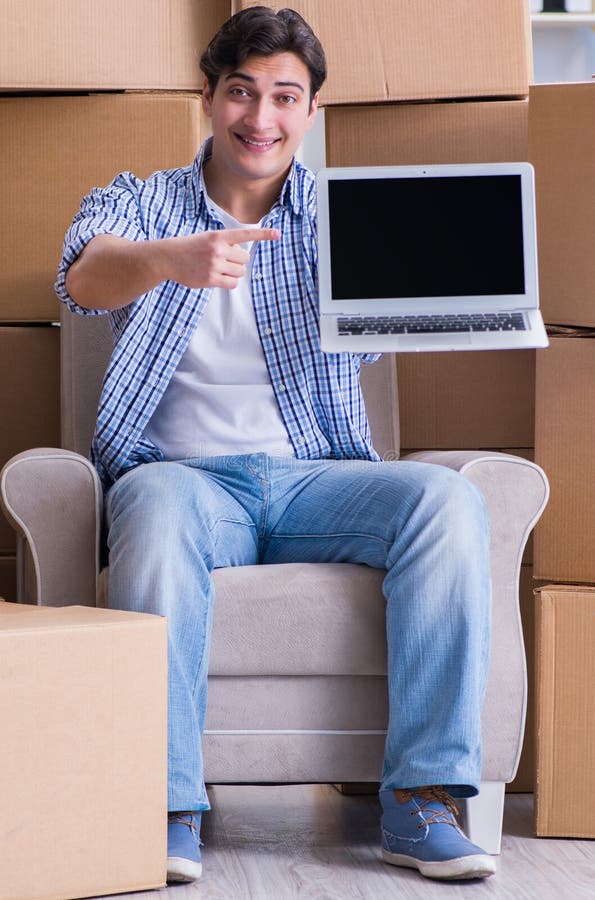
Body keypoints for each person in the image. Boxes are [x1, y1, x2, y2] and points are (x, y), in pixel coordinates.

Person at [56, 5, 496, 885]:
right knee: (157, 512)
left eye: (284, 97)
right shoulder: (139, 202)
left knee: (448, 501)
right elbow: (82, 275)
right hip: (181, 478)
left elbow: (406, 306)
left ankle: (419, 804)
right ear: (208, 98)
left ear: (312, 110)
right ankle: (164, 807)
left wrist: (447, 290)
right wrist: (166, 260)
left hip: (318, 478)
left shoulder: (347, 217)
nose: (260, 118)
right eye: (241, 93)